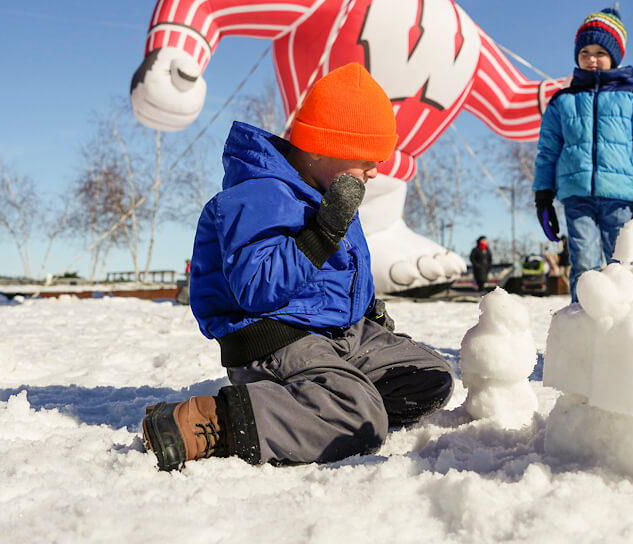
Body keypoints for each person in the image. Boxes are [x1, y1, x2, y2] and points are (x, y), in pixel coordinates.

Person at [141, 64, 454, 471]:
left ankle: (322, 402)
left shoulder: (326, 188)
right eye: (365, 158)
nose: (374, 171)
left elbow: (345, 269)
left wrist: (370, 310)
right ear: (321, 147)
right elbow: (255, 287)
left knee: (428, 375)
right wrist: (322, 233)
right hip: (276, 338)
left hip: (336, 332)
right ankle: (207, 420)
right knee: (359, 420)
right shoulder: (256, 196)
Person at [533, 9, 633, 302]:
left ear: (614, 55)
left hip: (620, 196)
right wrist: (543, 196)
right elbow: (547, 151)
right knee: (583, 264)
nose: (591, 58)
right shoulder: (563, 101)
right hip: (576, 195)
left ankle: (623, 327)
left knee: (621, 263)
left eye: (599, 51)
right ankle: (581, 329)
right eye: (584, 51)